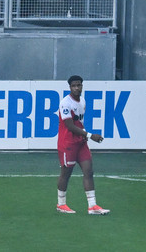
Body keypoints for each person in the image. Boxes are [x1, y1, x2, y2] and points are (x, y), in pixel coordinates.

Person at [55, 74, 109, 215]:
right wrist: (90, 135)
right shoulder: (65, 103)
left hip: (80, 142)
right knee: (66, 173)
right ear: (70, 87)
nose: (77, 88)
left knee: (88, 171)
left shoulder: (83, 101)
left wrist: (84, 136)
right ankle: (61, 204)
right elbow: (69, 126)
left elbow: (79, 123)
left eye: (79, 85)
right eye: (74, 86)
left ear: (82, 86)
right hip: (68, 143)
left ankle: (92, 206)